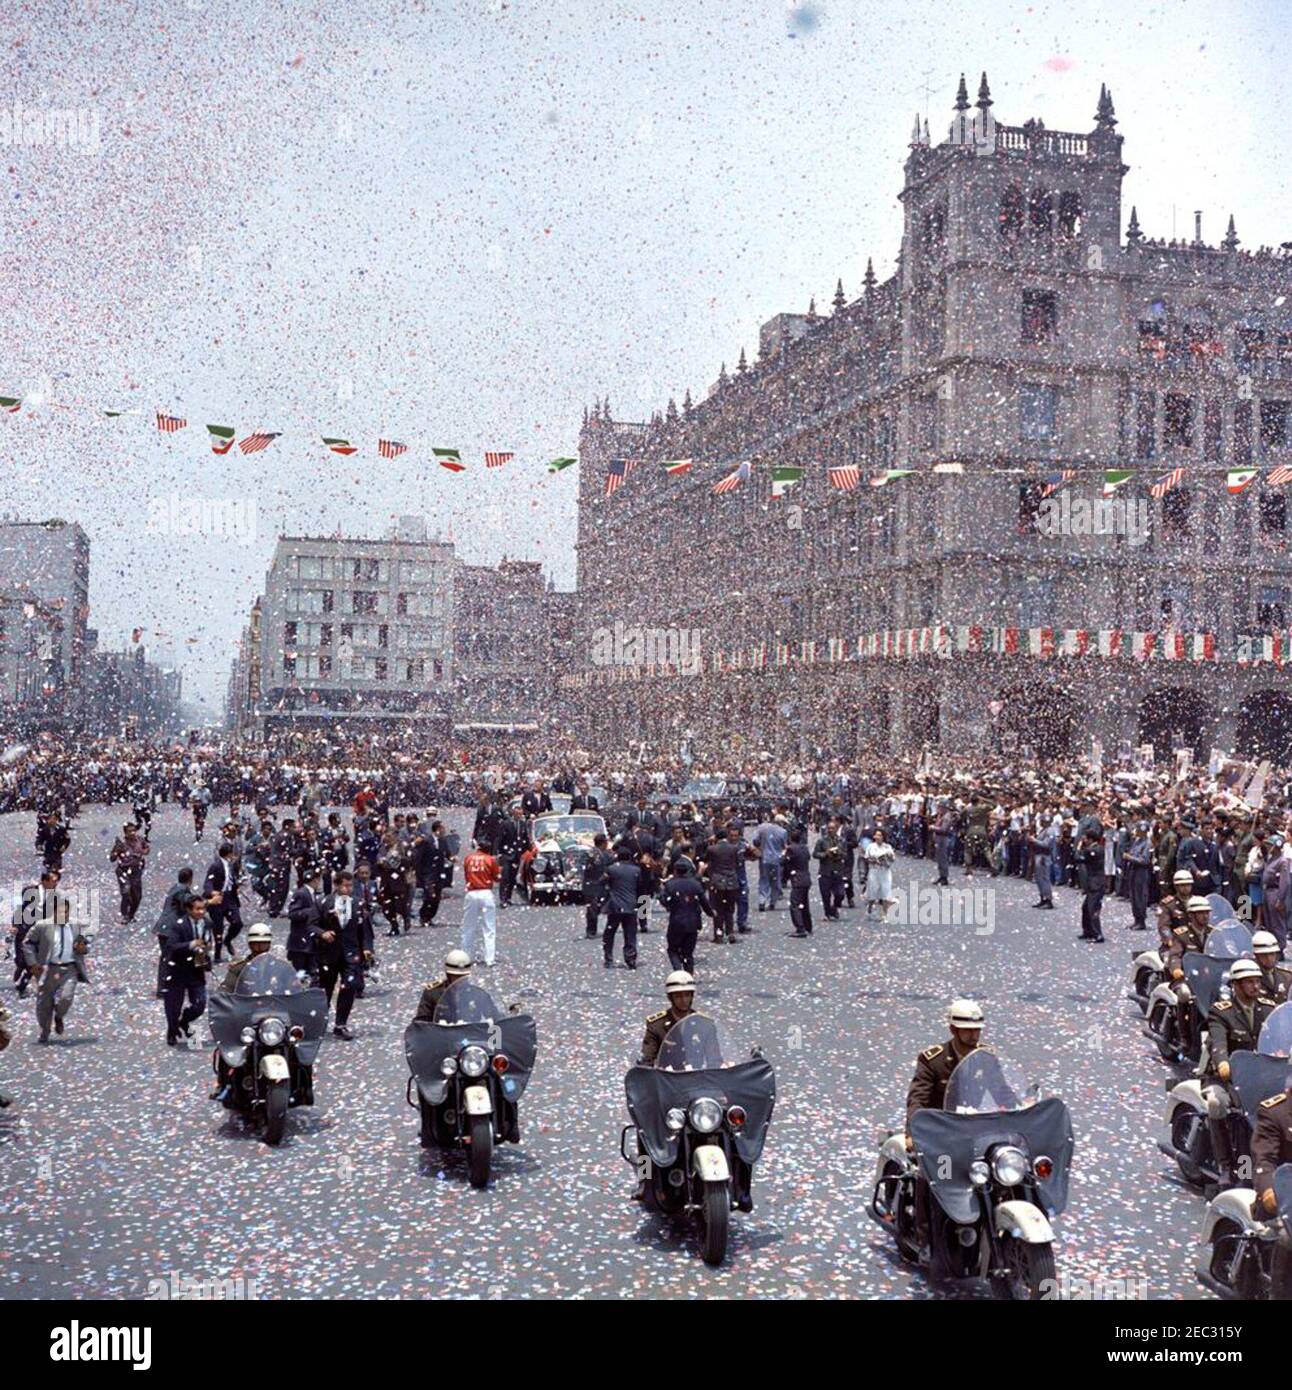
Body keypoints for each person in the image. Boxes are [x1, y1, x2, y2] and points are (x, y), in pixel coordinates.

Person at [1204, 958, 1280, 1177]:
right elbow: (1218, 1042)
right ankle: (1227, 1164)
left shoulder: (1268, 1009)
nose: (1256, 986)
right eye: (1249, 982)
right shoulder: (1221, 1012)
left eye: (1257, 981)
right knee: (1217, 1104)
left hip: (1262, 1078)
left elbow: (1281, 1037)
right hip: (1228, 1079)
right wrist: (1223, 1063)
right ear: (1236, 985)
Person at [23, 893, 89, 1045]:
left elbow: (85, 944)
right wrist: (33, 963)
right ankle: (45, 1031)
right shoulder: (42, 926)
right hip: (47, 969)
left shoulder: (75, 926)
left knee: (66, 997)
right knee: (44, 1005)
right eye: (60, 912)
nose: (63, 914)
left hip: (69, 968)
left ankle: (59, 1016)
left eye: (66, 911)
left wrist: (82, 948)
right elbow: (27, 943)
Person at [318, 870, 371, 1040]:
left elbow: (365, 929)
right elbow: (312, 924)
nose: (348, 889)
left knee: (349, 986)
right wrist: (322, 933)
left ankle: (341, 1024)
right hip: (329, 953)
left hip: (351, 953)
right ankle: (320, 1022)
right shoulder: (324, 902)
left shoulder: (358, 903)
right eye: (345, 885)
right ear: (336, 885)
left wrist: (367, 948)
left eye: (350, 886)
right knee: (326, 988)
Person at [1252, 1086, 1292, 1298]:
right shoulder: (1276, 1111)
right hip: (1285, 1199)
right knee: (1289, 1237)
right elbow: (1264, 1160)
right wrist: (1269, 1190)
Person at [161, 892, 214, 1047]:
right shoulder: (178, 925)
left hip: (196, 970)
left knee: (200, 1003)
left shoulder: (207, 923)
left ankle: (185, 1021)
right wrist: (191, 944)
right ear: (189, 910)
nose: (201, 912)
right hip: (177, 970)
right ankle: (172, 1031)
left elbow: (208, 939)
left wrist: (206, 950)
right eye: (197, 909)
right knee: (173, 1006)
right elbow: (171, 947)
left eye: (203, 909)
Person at [657, 856, 713, 974]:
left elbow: (664, 901)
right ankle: (688, 976)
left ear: (675, 871)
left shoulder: (670, 885)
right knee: (688, 953)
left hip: (676, 922)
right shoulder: (696, 884)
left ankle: (678, 971)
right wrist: (711, 913)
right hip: (693, 923)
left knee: (673, 950)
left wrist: (662, 889)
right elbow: (704, 902)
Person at [11, 868, 59, 999]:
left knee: (34, 961)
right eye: (53, 881)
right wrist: (15, 925)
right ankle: (20, 966)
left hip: (40, 932)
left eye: (57, 881)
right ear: (44, 881)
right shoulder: (30, 892)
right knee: (23, 959)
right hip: (25, 929)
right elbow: (19, 909)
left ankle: (22, 985)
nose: (55, 884)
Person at [638, 970, 700, 1065]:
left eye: (687, 995)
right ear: (670, 998)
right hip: (668, 1077)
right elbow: (648, 1057)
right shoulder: (656, 1025)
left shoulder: (703, 1022)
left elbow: (714, 1059)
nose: (684, 1000)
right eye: (678, 996)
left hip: (697, 1077)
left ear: (692, 996)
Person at [700, 821, 744, 943]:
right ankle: (730, 933)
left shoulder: (712, 849)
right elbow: (737, 863)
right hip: (731, 881)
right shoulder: (734, 848)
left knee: (717, 910)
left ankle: (718, 934)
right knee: (729, 909)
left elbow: (707, 862)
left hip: (717, 881)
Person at [461, 840, 501, 967]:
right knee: (489, 927)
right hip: (486, 893)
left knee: (468, 927)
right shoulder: (490, 860)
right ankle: (489, 959)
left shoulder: (468, 858)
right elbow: (497, 878)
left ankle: (467, 957)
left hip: (471, 892)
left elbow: (466, 876)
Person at [604, 842, 641, 969]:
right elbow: (641, 890)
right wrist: (643, 913)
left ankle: (608, 958)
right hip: (631, 906)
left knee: (609, 933)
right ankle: (630, 959)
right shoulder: (636, 870)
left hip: (615, 906)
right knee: (630, 934)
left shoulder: (611, 869)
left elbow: (603, 883)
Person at [204, 840, 242, 962]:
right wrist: (211, 892)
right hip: (218, 898)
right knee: (218, 926)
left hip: (230, 897)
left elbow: (232, 878)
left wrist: (236, 885)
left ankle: (228, 940)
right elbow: (208, 882)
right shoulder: (216, 866)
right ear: (229, 854)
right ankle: (217, 954)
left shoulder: (231, 865)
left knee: (237, 922)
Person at [412, 948, 473, 1021]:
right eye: (456, 977)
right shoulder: (433, 993)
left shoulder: (476, 995)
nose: (460, 980)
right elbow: (421, 1021)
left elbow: (488, 1019)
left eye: (464, 976)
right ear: (449, 975)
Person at [286, 867, 323, 979]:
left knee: (310, 972)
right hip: (300, 942)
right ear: (315, 880)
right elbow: (292, 913)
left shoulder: (314, 894)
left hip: (309, 942)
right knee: (300, 973)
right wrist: (311, 912)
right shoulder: (301, 893)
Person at [109, 822, 148, 925]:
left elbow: (146, 848)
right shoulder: (121, 843)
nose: (132, 833)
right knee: (126, 892)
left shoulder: (140, 839)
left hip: (136, 870)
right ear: (125, 833)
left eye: (134, 830)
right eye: (129, 831)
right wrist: (117, 851)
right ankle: (125, 915)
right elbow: (112, 858)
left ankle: (131, 914)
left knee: (137, 896)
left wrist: (143, 852)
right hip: (123, 870)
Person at [782, 826, 813, 938]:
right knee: (804, 904)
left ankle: (800, 928)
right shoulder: (804, 848)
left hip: (797, 879)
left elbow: (782, 862)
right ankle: (807, 926)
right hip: (806, 877)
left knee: (795, 904)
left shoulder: (791, 849)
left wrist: (784, 852)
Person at [812, 817, 846, 922]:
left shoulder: (841, 840)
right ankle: (827, 913)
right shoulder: (821, 841)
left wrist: (839, 854)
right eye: (829, 828)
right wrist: (825, 854)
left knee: (840, 894)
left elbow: (845, 854)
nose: (831, 830)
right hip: (825, 871)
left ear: (837, 829)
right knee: (825, 895)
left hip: (838, 870)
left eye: (833, 828)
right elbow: (815, 854)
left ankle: (834, 907)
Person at [1077, 826, 1106, 943]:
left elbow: (1078, 858)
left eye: (1085, 837)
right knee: (1085, 908)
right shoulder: (1093, 849)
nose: (1083, 839)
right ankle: (1088, 931)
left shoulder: (1094, 850)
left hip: (1096, 883)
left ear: (1090, 839)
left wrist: (1079, 848)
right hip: (1092, 882)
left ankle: (1098, 934)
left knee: (1092, 909)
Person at [1122, 820, 1152, 931]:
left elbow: (1145, 860)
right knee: (1133, 895)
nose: (1136, 832)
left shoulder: (1147, 843)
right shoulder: (1136, 841)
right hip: (1133, 870)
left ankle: (1141, 921)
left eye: (1138, 829)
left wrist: (1130, 858)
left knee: (1140, 896)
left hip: (1141, 872)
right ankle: (1136, 919)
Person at [581, 832, 613, 939]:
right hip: (594, 884)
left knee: (596, 908)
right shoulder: (593, 854)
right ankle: (591, 930)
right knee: (593, 908)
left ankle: (592, 929)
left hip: (598, 885)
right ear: (603, 843)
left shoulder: (604, 854)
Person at [863, 827, 896, 923]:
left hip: (885, 871)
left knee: (886, 892)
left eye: (880, 835)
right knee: (873, 892)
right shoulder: (871, 846)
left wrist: (888, 857)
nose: (877, 837)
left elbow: (893, 858)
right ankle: (869, 908)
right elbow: (867, 858)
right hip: (874, 871)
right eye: (876, 835)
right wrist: (874, 860)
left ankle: (885, 914)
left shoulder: (887, 847)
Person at [1253, 930, 1292, 1003]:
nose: (1269, 958)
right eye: (1264, 955)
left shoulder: (1287, 977)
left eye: (1272, 954)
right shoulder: (1248, 979)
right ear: (1256, 955)